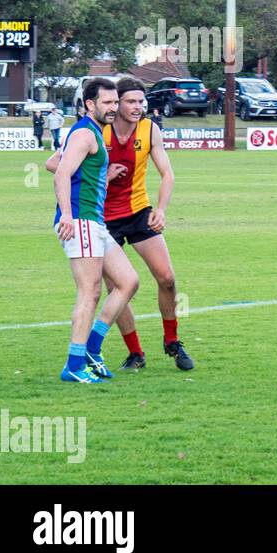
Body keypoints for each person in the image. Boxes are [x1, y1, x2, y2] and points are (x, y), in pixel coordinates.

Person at [91, 77, 192, 371]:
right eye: (130, 102)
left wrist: (160, 209)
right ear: (116, 103)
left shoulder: (150, 130)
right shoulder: (99, 131)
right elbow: (60, 164)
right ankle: (136, 353)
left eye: (140, 102)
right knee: (119, 290)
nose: (137, 107)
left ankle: (172, 341)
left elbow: (168, 175)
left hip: (137, 213)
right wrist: (104, 173)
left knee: (167, 278)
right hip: (103, 220)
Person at [49, 77, 140, 383]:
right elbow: (60, 173)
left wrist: (100, 173)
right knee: (90, 291)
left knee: (128, 282)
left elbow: (53, 162)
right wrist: (68, 215)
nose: (114, 108)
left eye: (116, 102)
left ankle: (92, 346)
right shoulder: (86, 134)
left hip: (94, 222)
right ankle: (74, 365)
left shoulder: (90, 134)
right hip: (82, 221)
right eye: (108, 103)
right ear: (90, 104)